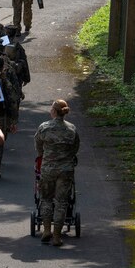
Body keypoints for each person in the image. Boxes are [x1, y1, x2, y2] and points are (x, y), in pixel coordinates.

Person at [34, 99, 80, 247]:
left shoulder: (44, 127)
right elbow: (75, 148)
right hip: (66, 170)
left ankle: (46, 230)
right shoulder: (72, 129)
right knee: (61, 202)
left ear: (53, 111)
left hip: (48, 169)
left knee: (46, 198)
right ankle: (57, 236)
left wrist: (45, 154)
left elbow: (38, 146)